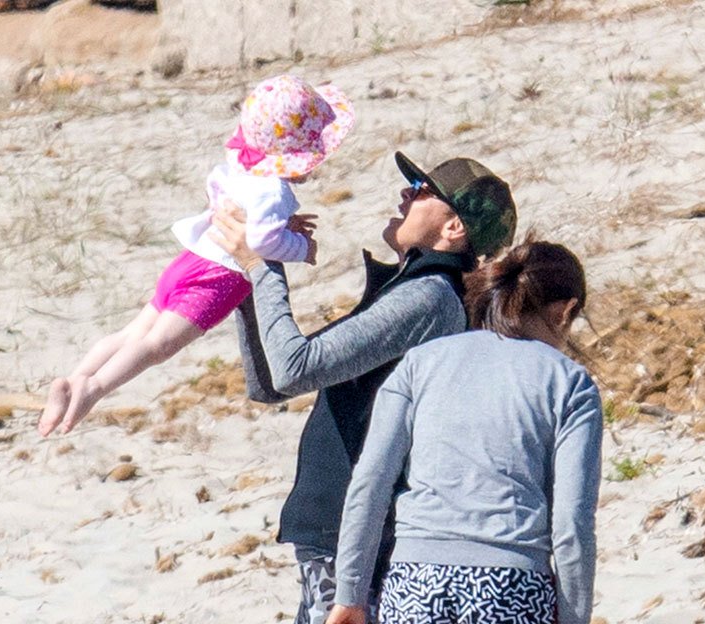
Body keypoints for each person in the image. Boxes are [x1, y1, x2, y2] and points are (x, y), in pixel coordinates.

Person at [210, 152, 518, 624]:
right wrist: (249, 269)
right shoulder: (409, 288)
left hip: (359, 537)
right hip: (338, 528)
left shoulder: (429, 294)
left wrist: (262, 261)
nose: (404, 193)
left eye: (420, 191)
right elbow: (271, 383)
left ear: (453, 227)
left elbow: (293, 368)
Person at [37, 74, 354, 436]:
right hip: (219, 277)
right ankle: (93, 389)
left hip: (191, 259)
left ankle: (75, 378)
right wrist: (302, 249)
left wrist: (285, 225)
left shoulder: (243, 169)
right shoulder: (275, 191)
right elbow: (263, 242)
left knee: (132, 332)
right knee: (157, 345)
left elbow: (242, 210)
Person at [326, 239, 603, 624]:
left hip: (415, 581)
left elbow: (370, 482)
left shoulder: (421, 362)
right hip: (513, 586)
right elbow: (571, 522)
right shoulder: (570, 381)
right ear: (565, 310)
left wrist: (350, 593)